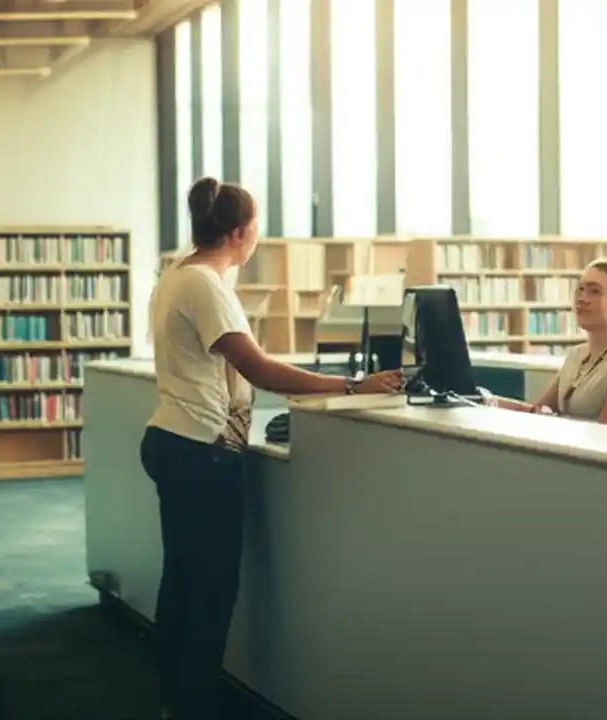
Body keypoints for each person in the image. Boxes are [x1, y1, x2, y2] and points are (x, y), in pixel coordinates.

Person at [139, 177, 402, 720]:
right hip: (201, 447)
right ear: (240, 233)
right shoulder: (208, 286)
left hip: (172, 437)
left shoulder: (177, 275)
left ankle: (171, 701)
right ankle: (192, 709)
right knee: (211, 594)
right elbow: (258, 368)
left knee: (182, 582)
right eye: (255, 227)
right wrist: (354, 386)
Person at [485, 259, 607, 428]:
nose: (582, 298)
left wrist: (554, 422)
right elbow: (537, 413)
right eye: (580, 289)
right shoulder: (576, 355)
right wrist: (487, 401)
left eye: (594, 291)